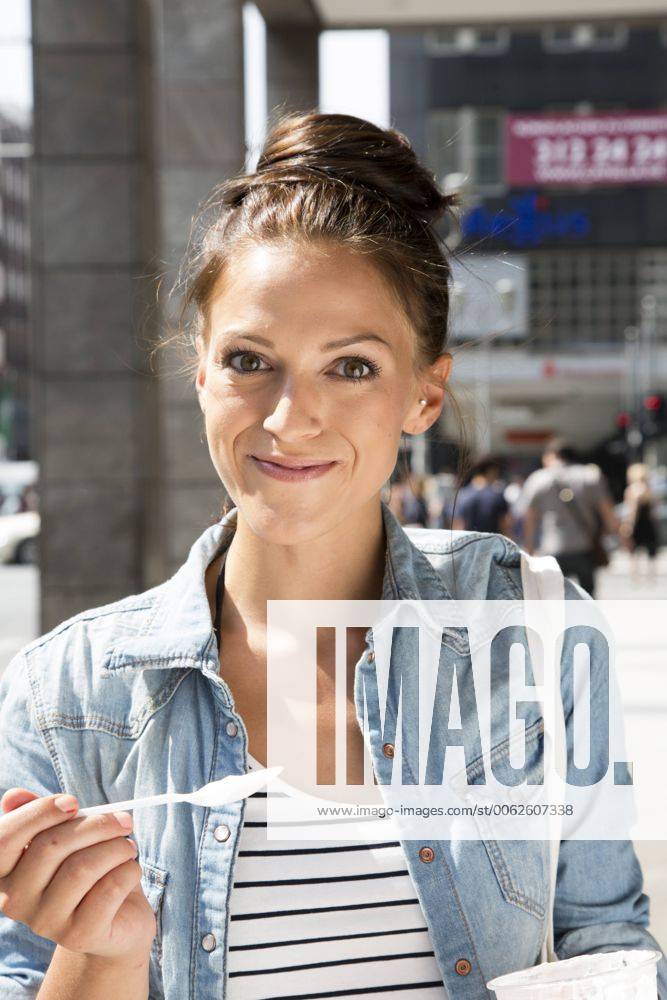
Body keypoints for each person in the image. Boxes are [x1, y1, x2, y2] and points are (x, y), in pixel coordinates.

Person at [0, 111, 664, 1000]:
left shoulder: (524, 627)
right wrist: (102, 952)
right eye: (249, 360)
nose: (286, 419)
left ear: (425, 393)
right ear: (199, 372)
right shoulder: (66, 696)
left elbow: (609, 953)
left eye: (349, 366)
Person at [521, 437, 622, 598]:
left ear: (551, 456)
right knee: (588, 597)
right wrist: (616, 536)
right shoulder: (590, 476)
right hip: (584, 546)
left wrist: (530, 550)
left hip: (552, 549)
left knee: (554, 599)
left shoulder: (538, 479)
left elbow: (530, 519)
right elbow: (607, 511)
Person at [450, 455, 513, 537]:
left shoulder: (462, 494)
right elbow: (504, 526)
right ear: (491, 471)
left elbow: (458, 525)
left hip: (469, 545)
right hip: (492, 546)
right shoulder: (497, 496)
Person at [620, 462, 660, 583]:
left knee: (633, 551)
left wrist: (628, 524)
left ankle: (635, 575)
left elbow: (632, 510)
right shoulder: (649, 490)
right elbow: (654, 511)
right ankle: (651, 575)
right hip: (648, 523)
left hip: (637, 524)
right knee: (650, 550)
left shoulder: (632, 490)